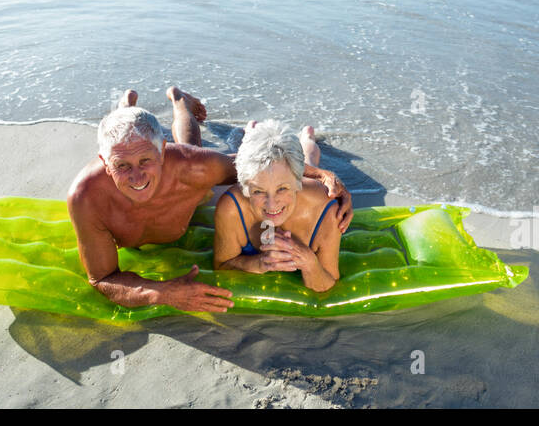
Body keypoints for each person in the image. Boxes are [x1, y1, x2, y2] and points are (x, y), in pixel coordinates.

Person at [66, 88, 352, 312]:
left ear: (163, 151)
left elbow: (256, 167)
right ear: (104, 161)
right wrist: (163, 293)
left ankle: (180, 102)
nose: (137, 177)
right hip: (139, 157)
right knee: (133, 141)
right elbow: (102, 278)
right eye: (122, 166)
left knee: (192, 153)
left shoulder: (192, 168)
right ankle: (125, 112)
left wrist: (325, 176)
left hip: (185, 171)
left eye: (145, 160)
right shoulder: (87, 198)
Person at [213, 120, 341, 293]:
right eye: (258, 191)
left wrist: (309, 262)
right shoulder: (232, 208)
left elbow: (329, 281)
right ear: (246, 188)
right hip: (265, 171)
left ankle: (308, 137)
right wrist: (256, 263)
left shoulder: (324, 210)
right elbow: (221, 266)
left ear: (297, 182)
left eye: (282, 189)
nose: (272, 205)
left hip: (307, 186)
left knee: (309, 158)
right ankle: (252, 132)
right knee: (259, 161)